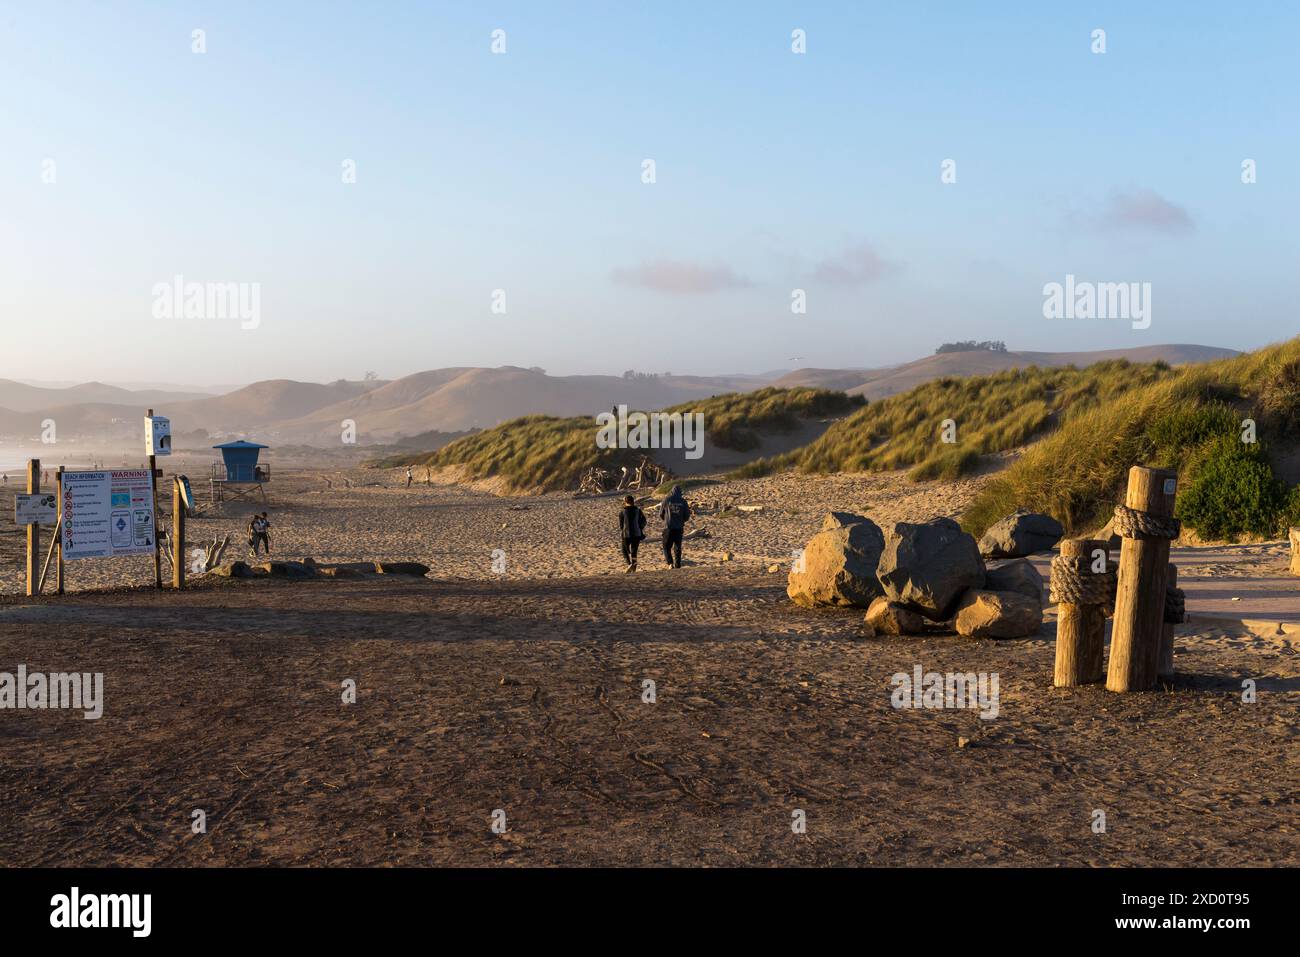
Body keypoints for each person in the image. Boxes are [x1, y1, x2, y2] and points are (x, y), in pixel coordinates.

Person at [657, 484, 691, 568]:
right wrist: (681, 521)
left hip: (668, 527)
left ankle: (670, 563)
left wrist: (666, 520)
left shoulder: (666, 499)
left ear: (672, 491)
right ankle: (678, 564)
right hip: (679, 528)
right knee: (677, 547)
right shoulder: (683, 501)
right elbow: (687, 515)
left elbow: (661, 513)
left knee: (666, 546)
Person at [618, 494, 646, 572]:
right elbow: (644, 521)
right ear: (633, 501)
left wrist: (623, 530)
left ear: (625, 502)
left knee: (624, 550)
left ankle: (629, 563)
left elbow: (621, 525)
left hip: (626, 534)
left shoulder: (622, 512)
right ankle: (634, 567)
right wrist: (640, 527)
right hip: (637, 534)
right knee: (634, 552)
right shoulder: (638, 510)